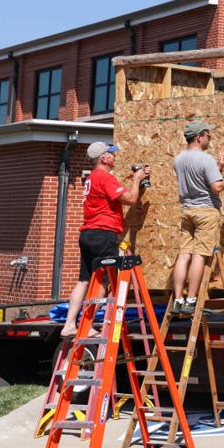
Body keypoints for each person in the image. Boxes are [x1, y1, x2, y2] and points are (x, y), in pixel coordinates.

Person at [62, 142, 149, 336]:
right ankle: (88, 324)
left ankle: (69, 324)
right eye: (112, 154)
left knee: (84, 280)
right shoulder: (105, 177)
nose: (115, 156)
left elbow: (110, 197)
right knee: (105, 279)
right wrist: (136, 180)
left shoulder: (92, 177)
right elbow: (131, 199)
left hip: (88, 233)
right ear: (104, 158)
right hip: (103, 234)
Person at [170, 120, 224, 313]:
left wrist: (217, 167)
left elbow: (195, 179)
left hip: (187, 211)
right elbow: (216, 188)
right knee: (199, 255)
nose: (210, 138)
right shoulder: (205, 159)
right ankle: (191, 299)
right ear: (199, 137)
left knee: (184, 255)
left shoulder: (179, 159)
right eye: (208, 135)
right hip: (206, 212)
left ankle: (178, 300)